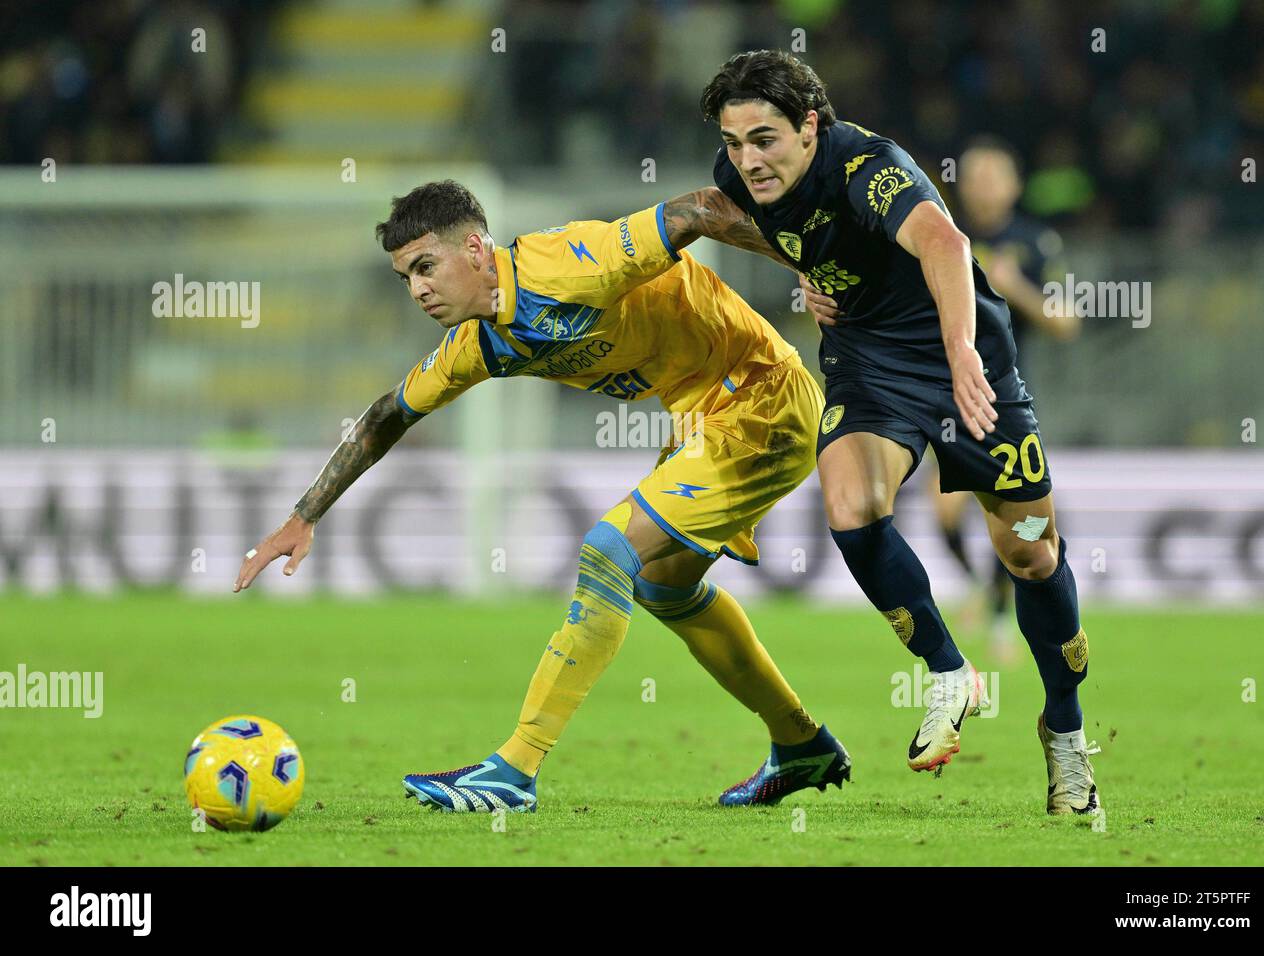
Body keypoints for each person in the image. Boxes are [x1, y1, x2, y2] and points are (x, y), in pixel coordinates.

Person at [233, 180, 851, 812]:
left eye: (426, 266)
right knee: (665, 585)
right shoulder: (479, 344)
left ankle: (513, 771)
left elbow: (703, 208)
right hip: (704, 418)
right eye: (405, 277)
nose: (417, 288)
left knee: (609, 551)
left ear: (475, 248)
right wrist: (303, 516)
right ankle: (801, 743)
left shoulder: (571, 262)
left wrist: (816, 267)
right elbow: (388, 414)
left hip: (763, 396)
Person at [696, 51, 1098, 814]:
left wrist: (960, 352)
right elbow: (761, 224)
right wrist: (809, 268)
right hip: (868, 363)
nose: (747, 159)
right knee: (850, 505)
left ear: (811, 126)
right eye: (734, 140)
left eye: (765, 140)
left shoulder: (869, 164)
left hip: (969, 364)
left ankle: (1067, 731)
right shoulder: (739, 176)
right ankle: (951, 672)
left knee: (1031, 553)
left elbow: (946, 244)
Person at [932, 136, 1078, 661]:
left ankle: (998, 614)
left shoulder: (1037, 243)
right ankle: (982, 589)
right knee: (945, 514)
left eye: (995, 176)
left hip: (1010, 396)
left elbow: (1065, 320)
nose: (985, 187)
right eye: (975, 177)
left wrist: (1014, 288)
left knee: (1013, 515)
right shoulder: (944, 235)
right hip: (948, 391)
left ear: (1015, 185)